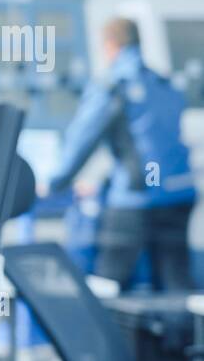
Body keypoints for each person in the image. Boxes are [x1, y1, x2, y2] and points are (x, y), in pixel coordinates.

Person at [46, 17, 197, 290]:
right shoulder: (164, 83)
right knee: (176, 285)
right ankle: (181, 333)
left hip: (140, 194)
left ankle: (105, 333)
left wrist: (55, 181)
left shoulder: (115, 86)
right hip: (178, 191)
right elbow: (156, 139)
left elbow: (84, 137)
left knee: (109, 282)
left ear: (110, 45)